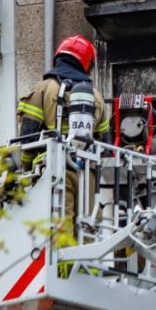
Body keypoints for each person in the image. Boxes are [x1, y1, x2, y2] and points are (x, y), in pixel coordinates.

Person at [16, 34, 111, 229]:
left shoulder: (42, 90)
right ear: (86, 63)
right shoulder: (97, 98)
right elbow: (105, 147)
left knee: (60, 230)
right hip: (87, 174)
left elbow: (27, 139)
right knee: (88, 232)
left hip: (51, 170)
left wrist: (26, 173)